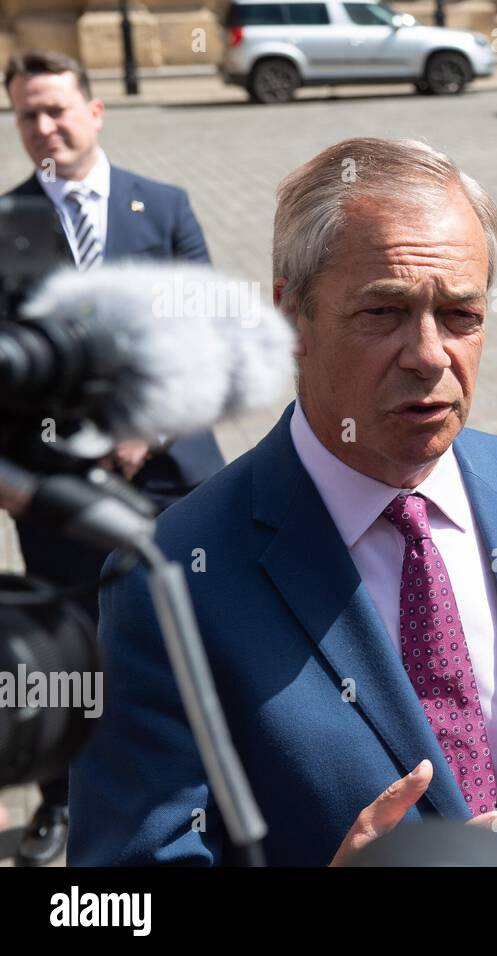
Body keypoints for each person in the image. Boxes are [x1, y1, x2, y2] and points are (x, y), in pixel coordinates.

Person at [67, 137, 497, 867]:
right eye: (384, 312)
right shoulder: (167, 578)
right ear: (291, 315)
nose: (429, 354)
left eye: (460, 314)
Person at [3, 50, 226, 867]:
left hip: (177, 473)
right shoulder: (6, 223)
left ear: (96, 111)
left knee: (205, 630)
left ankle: (217, 779)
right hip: (62, 488)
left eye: (57, 109)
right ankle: (60, 802)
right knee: (65, 651)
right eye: (28, 115)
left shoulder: (161, 207)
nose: (45, 128)